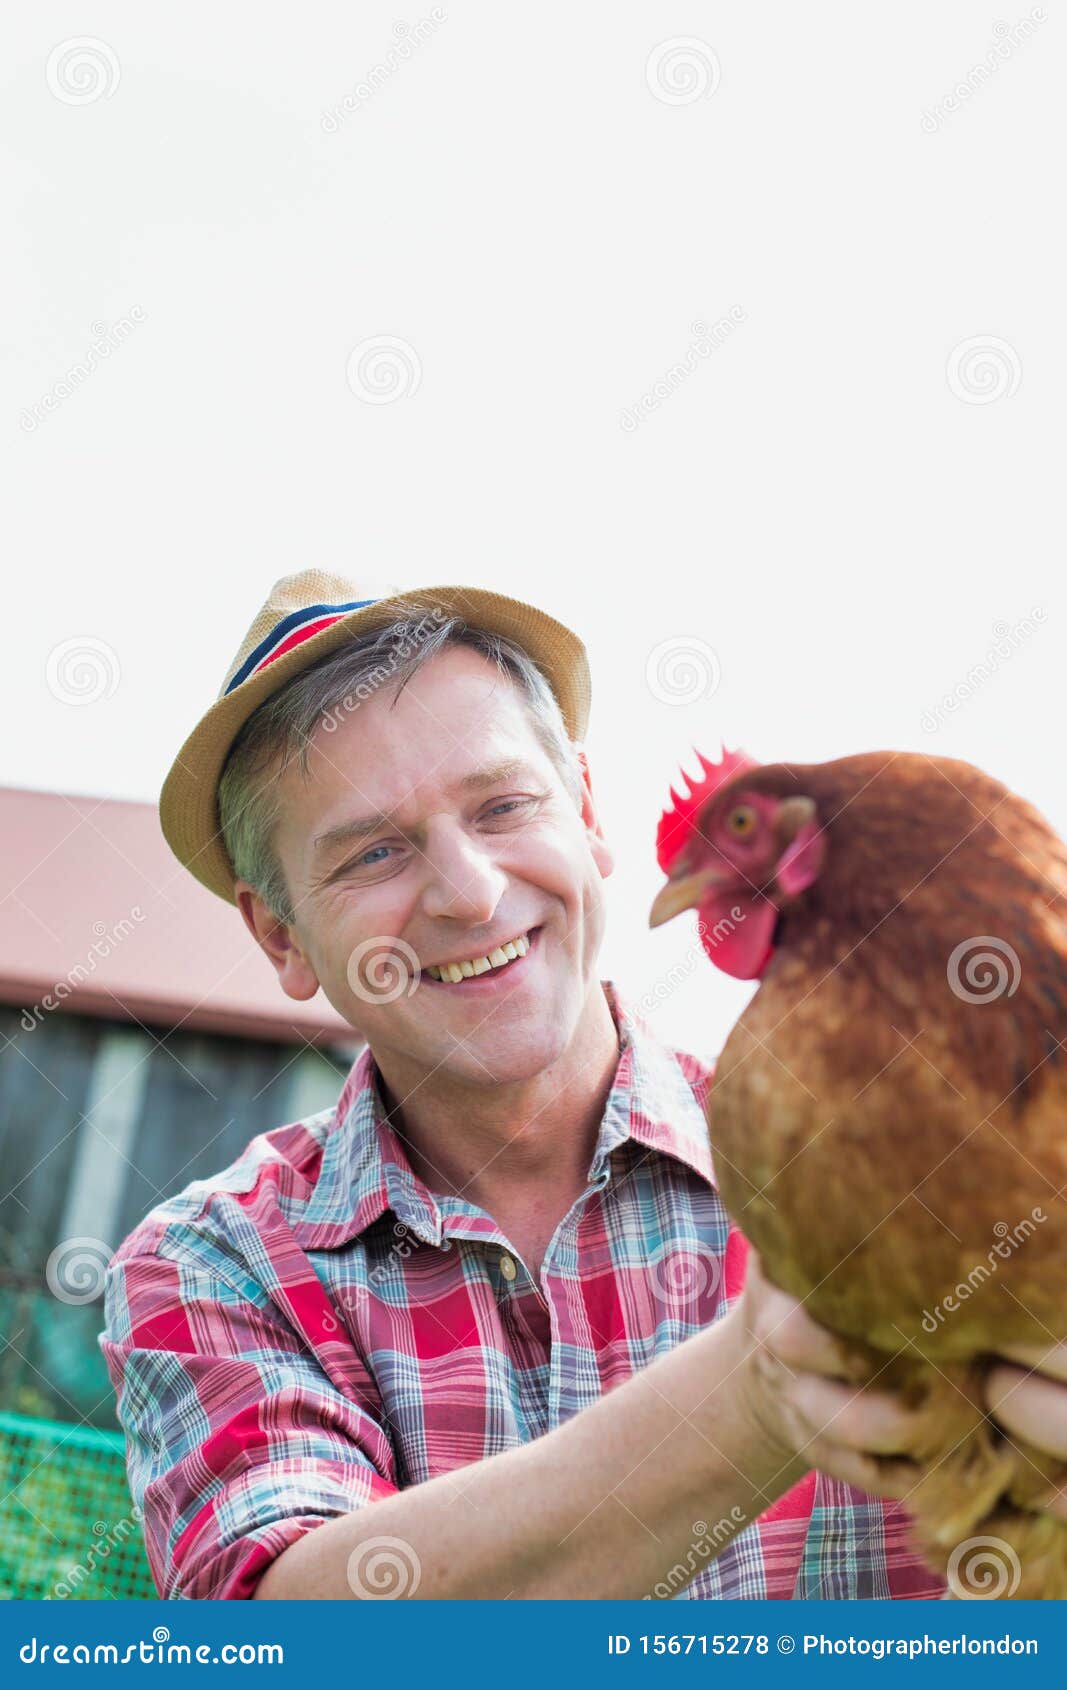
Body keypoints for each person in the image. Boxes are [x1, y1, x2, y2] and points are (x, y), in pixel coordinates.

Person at [98, 572, 1067, 1601]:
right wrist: (765, 1381)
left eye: (503, 806)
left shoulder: (941, 1151)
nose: (470, 893)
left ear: (589, 812)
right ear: (280, 936)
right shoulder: (216, 1265)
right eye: (374, 853)